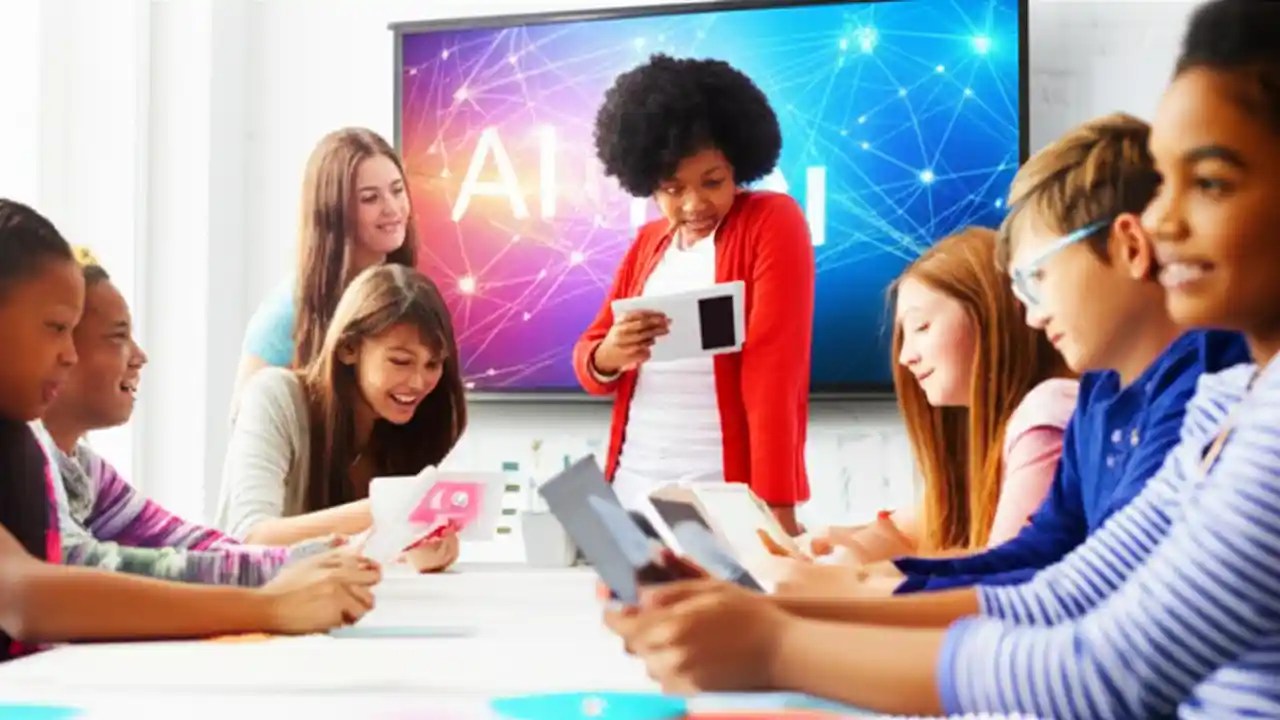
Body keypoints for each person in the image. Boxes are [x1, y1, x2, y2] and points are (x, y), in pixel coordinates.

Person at [605, 1, 1280, 715]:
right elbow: (1068, 586)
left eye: (1209, 182)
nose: (1160, 225)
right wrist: (813, 608)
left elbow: (1109, 666)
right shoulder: (1226, 400)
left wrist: (778, 640)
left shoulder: (1216, 399)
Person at [0, 198, 379, 661]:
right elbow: (28, 595)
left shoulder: (25, 446)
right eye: (57, 328)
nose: (70, 353)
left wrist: (316, 562)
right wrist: (266, 605)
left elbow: (178, 540)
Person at [885, 114, 1251, 593]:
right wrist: (877, 581)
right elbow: (1042, 549)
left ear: (1129, 246)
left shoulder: (1206, 382)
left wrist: (874, 595)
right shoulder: (1097, 398)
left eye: (1037, 278)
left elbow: (1101, 582)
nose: (1033, 318)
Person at [575, 54, 815, 534]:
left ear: (740, 166)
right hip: (628, 495)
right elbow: (591, 362)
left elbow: (775, 372)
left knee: (726, 606)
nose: (693, 203)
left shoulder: (772, 222)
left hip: (722, 502)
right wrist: (609, 354)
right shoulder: (647, 244)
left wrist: (777, 507)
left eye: (713, 181)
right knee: (624, 608)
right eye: (671, 188)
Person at [36, 249, 338, 585]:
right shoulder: (25, 454)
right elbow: (75, 564)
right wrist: (284, 570)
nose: (140, 357)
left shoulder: (85, 469)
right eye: (118, 336)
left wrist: (308, 559)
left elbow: (187, 542)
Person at [791, 227, 1077, 580]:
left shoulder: (1046, 416)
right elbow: (906, 530)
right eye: (903, 337)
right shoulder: (981, 441)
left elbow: (1003, 574)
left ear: (991, 314)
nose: (907, 357)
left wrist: (866, 575)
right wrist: (843, 546)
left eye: (922, 327)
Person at [217, 263, 467, 566]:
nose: (418, 382)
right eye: (401, 361)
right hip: (267, 608)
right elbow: (249, 538)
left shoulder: (416, 429)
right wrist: (385, 511)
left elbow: (364, 558)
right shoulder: (275, 397)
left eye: (433, 364)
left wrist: (416, 548)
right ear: (348, 348)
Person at [231, 127, 417, 413]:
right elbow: (248, 431)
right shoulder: (285, 316)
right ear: (334, 210)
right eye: (370, 198)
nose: (392, 208)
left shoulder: (407, 297)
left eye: (397, 190)